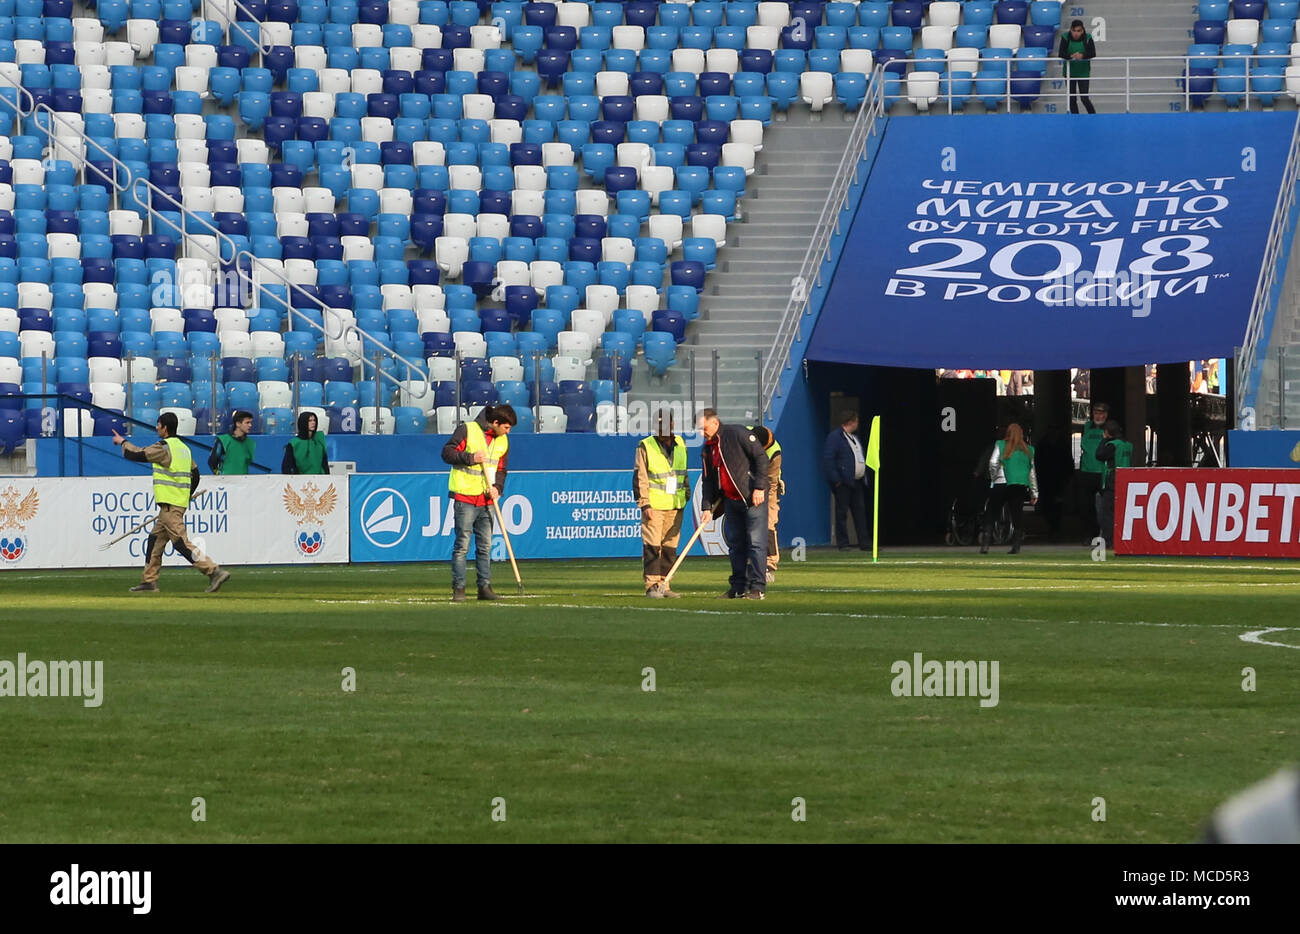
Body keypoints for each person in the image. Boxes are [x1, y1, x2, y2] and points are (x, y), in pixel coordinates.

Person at [112, 413, 231, 594]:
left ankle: (213, 571)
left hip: (169, 506)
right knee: (155, 540)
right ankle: (149, 581)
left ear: (165, 428)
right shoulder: (184, 449)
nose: (157, 428)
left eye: (158, 425)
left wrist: (122, 442)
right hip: (176, 505)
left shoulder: (163, 448)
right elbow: (196, 475)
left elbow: (136, 454)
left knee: (182, 543)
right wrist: (186, 494)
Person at [442, 405, 516, 602]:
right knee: (462, 546)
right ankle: (459, 589)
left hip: (487, 499)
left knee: (485, 546)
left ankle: (484, 587)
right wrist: (470, 458)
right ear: (496, 423)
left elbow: (501, 469)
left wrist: (498, 488)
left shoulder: (503, 441)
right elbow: (447, 453)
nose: (508, 432)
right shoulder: (468, 429)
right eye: (506, 427)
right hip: (465, 496)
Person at [698, 409, 769, 600]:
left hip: (753, 499)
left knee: (756, 543)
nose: (702, 433)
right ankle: (738, 587)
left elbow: (761, 458)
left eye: (704, 428)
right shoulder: (707, 449)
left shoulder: (737, 433)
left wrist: (759, 487)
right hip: (731, 501)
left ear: (715, 423)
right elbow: (708, 480)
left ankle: (757, 588)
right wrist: (706, 507)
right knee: (736, 545)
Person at [634, 408, 686, 598]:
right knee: (652, 546)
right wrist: (645, 504)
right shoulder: (645, 445)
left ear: (672, 424)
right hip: (654, 506)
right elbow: (640, 477)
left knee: (670, 548)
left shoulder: (680, 443)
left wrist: (686, 494)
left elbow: (683, 472)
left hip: (675, 504)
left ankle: (665, 584)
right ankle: (652, 586)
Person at [978, 423, 1038, 555]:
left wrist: (993, 478)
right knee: (1017, 515)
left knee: (992, 512)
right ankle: (1016, 546)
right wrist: (1034, 492)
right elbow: (1032, 472)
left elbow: (993, 462)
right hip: (1019, 485)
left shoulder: (1000, 445)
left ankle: (985, 545)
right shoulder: (1029, 450)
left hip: (1001, 482)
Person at [822, 410, 870, 551]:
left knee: (860, 512)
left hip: (857, 481)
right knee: (842, 512)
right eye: (856, 420)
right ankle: (843, 543)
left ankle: (864, 542)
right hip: (843, 482)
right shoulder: (835, 438)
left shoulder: (854, 438)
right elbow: (828, 460)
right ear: (850, 421)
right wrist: (837, 480)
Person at [749, 425, 783, 583]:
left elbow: (771, 481)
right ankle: (749, 564)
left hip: (768, 487)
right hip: (744, 484)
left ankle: (769, 565)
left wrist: (760, 493)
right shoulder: (745, 435)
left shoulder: (774, 453)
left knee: (768, 524)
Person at [1094, 419, 1132, 547]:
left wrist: (1104, 439)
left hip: (1113, 479)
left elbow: (1099, 455)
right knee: (1122, 511)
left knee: (1107, 511)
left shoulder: (1112, 445)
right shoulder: (1127, 444)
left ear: (1107, 432)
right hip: (1126, 478)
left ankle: (1108, 539)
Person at [1076, 401, 1108, 543]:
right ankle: (1089, 533)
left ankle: (1106, 533)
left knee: (1106, 506)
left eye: (1101, 413)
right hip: (1086, 471)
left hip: (1102, 472)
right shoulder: (1087, 426)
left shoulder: (1109, 428)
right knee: (1085, 505)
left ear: (1106, 415)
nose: (1098, 416)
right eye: (1096, 413)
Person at [1059, 19, 1097, 114]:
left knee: (1084, 98)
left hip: (1083, 72)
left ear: (1082, 30)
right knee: (1072, 99)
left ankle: (1093, 117)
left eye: (1078, 31)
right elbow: (1061, 53)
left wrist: (1082, 56)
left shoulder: (1088, 38)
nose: (1076, 33)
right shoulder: (1065, 37)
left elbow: (1093, 53)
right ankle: (1075, 119)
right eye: (1074, 31)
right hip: (1069, 73)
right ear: (1071, 30)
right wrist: (1071, 56)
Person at [209, 410, 256, 475]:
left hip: (244, 482)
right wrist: (219, 476)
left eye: (250, 422)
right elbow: (212, 461)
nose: (250, 425)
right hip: (225, 482)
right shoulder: (223, 440)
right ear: (238, 424)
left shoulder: (250, 443)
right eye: (247, 422)